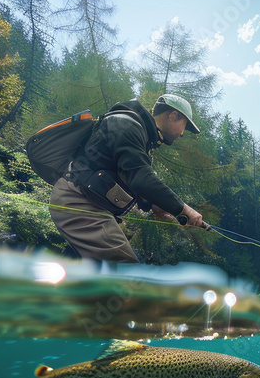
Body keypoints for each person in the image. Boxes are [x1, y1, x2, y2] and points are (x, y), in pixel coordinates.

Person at [49, 94, 209, 262]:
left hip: (89, 204)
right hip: (77, 201)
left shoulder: (137, 132)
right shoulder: (126, 124)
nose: (182, 134)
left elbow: (122, 175)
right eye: (184, 126)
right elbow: (140, 178)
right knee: (125, 273)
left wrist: (152, 204)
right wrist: (183, 209)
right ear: (173, 115)